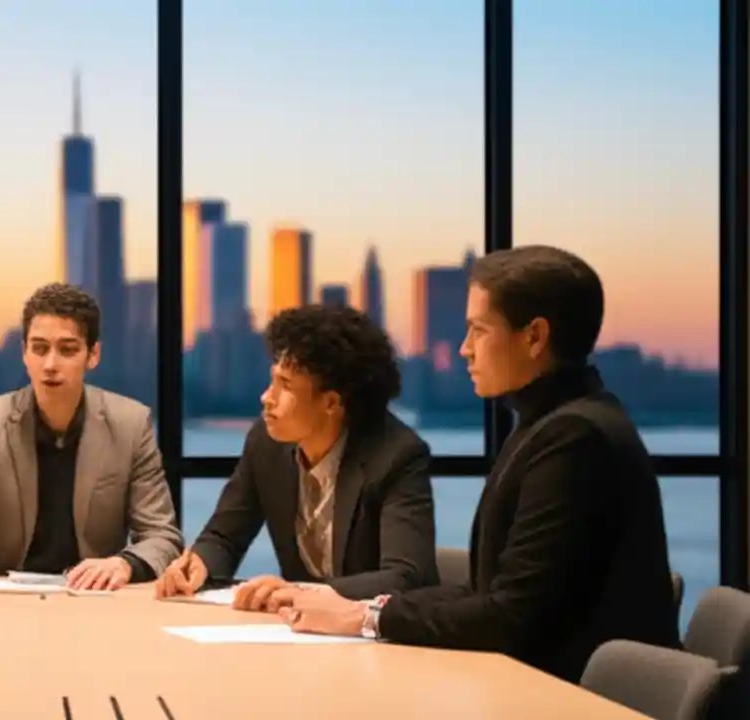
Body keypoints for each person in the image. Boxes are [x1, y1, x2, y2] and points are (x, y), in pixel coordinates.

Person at [281, 245, 679, 683]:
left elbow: (511, 617)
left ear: (534, 336)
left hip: (576, 702)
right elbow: (494, 593)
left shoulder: (574, 439)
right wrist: (370, 610)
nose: (464, 350)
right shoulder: (554, 422)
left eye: (478, 330)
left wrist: (364, 619)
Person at [155, 305, 437, 609]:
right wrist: (199, 563)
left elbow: (404, 578)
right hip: (300, 636)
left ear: (331, 402)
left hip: (381, 638)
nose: (266, 397)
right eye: (272, 380)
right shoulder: (266, 443)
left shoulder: (397, 456)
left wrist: (300, 592)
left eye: (285, 385)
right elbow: (224, 536)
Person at [0, 283, 183, 591]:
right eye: (39, 348)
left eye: (67, 350)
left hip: (96, 599)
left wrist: (124, 563)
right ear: (24, 352)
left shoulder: (130, 424)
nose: (50, 364)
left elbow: (163, 537)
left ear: (93, 355)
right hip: (5, 601)